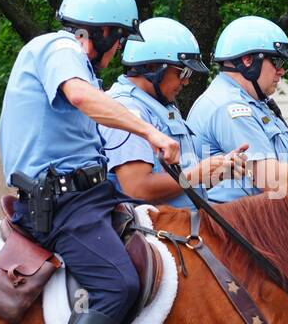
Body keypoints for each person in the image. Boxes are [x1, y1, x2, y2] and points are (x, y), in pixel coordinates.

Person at [0, 0, 181, 324]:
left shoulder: (80, 65)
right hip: (62, 204)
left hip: (92, 196)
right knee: (117, 283)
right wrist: (152, 134)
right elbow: (80, 96)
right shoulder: (58, 49)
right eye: (119, 39)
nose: (119, 51)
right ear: (100, 33)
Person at [100, 17, 249, 206]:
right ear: (153, 67)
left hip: (183, 229)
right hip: (155, 232)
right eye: (183, 72)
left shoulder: (161, 105)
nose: (186, 81)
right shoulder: (128, 110)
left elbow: (180, 186)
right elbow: (138, 189)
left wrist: (216, 171)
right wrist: (197, 174)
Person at [187, 15, 288, 201]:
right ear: (249, 60)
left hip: (251, 222)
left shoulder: (255, 103)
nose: (281, 71)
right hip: (233, 225)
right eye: (277, 62)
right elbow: (271, 180)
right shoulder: (229, 106)